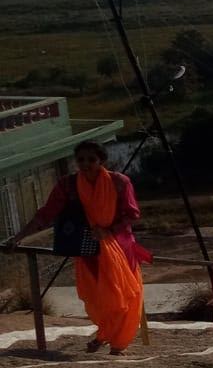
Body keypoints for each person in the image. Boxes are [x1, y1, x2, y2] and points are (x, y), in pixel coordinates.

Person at [2, 141, 151, 355]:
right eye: (81, 159)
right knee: (98, 299)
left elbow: (132, 214)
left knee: (122, 297)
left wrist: (108, 231)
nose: (86, 164)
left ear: (101, 161)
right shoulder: (68, 185)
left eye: (91, 159)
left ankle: (115, 344)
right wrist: (18, 237)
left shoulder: (119, 182)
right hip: (88, 248)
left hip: (120, 247)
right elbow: (46, 213)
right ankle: (104, 334)